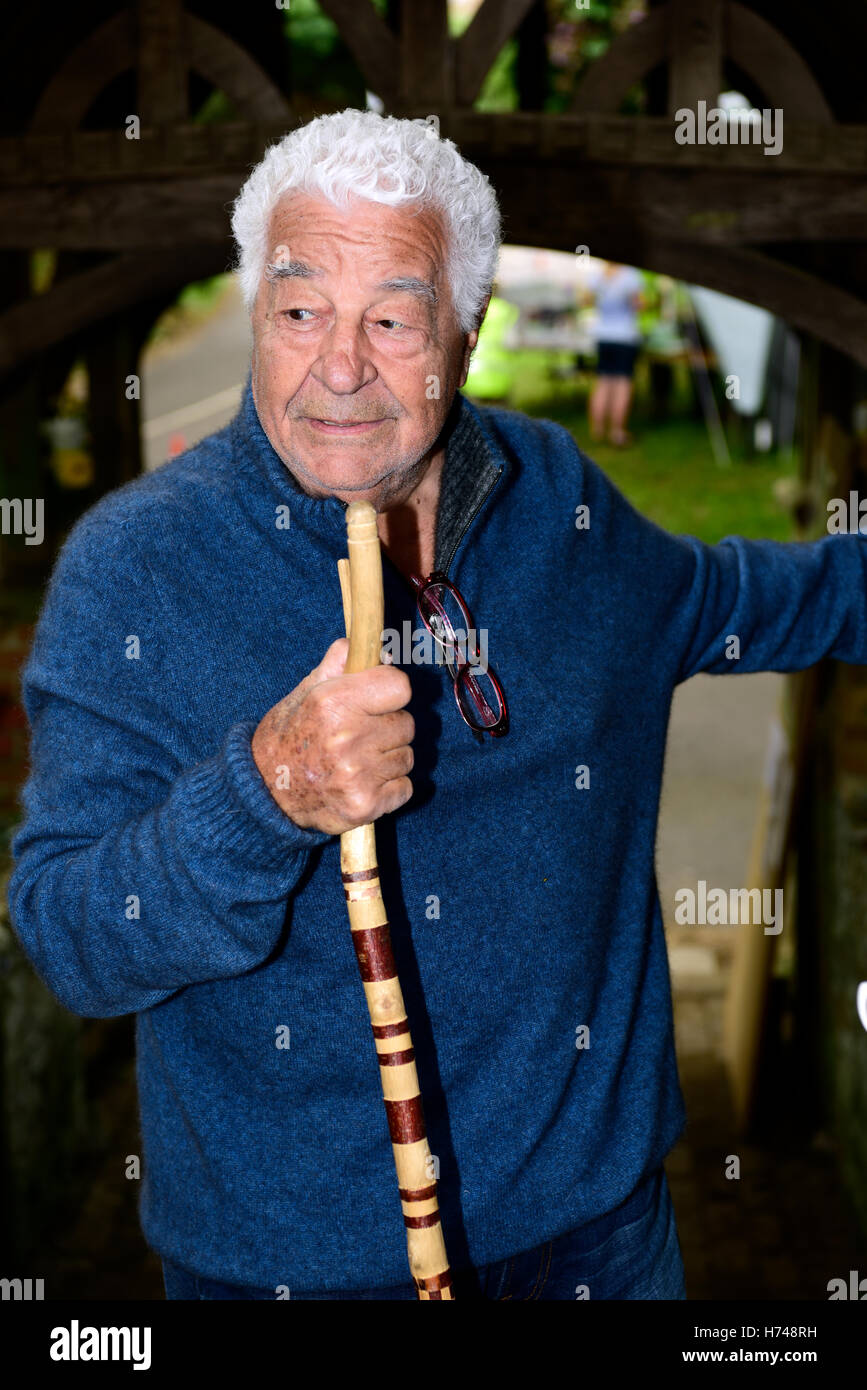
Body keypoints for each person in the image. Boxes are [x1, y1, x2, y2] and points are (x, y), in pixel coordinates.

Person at [8, 109, 867, 1302]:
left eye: (393, 318)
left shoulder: (555, 498)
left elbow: (729, 600)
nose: (342, 364)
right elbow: (68, 936)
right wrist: (266, 794)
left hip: (603, 1238)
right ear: (256, 313)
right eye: (302, 309)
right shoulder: (138, 569)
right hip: (293, 1271)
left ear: (464, 335)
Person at [584, 260, 644, 446]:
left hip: (603, 335)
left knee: (603, 381)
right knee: (622, 383)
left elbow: (586, 300)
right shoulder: (631, 275)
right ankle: (617, 431)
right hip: (625, 336)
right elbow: (638, 304)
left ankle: (597, 429)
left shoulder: (597, 276)